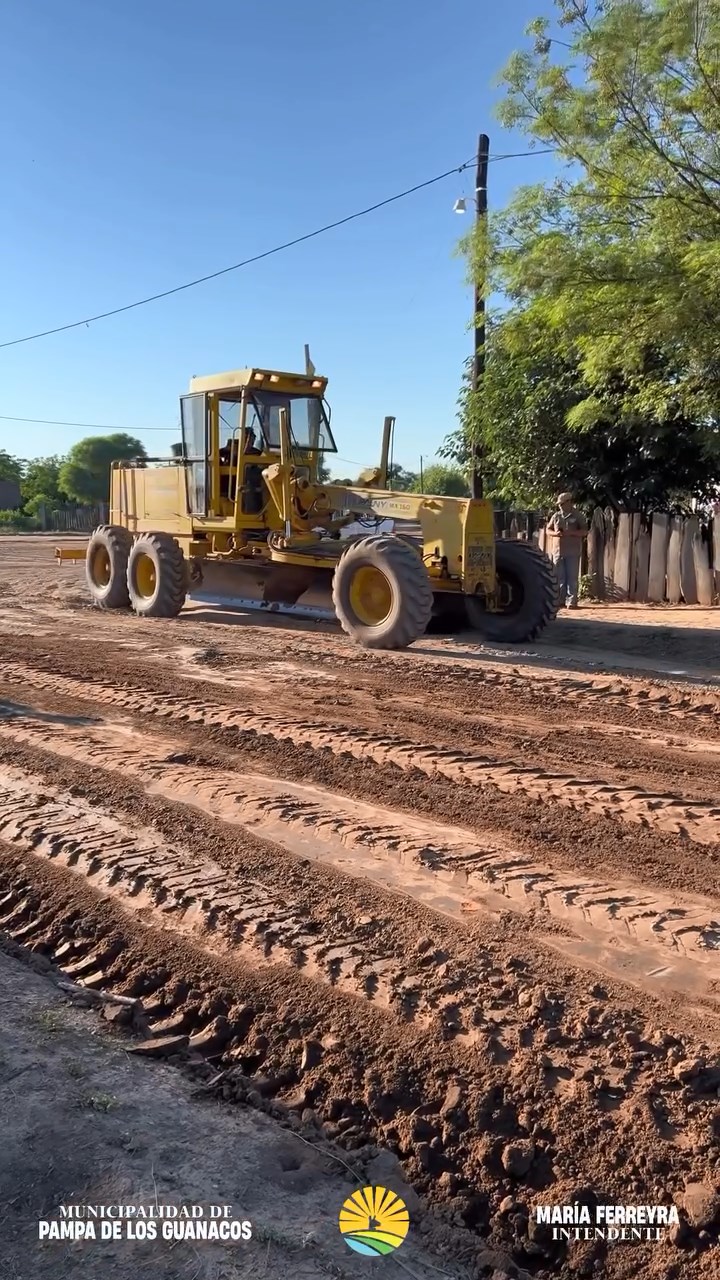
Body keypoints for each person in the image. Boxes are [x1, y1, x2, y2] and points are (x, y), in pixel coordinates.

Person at [546, 492, 587, 609]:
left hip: (572, 551)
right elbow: (548, 530)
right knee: (559, 577)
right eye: (559, 504)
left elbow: (584, 531)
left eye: (562, 503)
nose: (560, 506)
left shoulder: (578, 515)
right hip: (558, 551)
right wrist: (556, 533)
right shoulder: (556, 516)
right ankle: (560, 600)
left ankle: (572, 601)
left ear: (569, 502)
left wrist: (571, 533)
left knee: (572, 578)